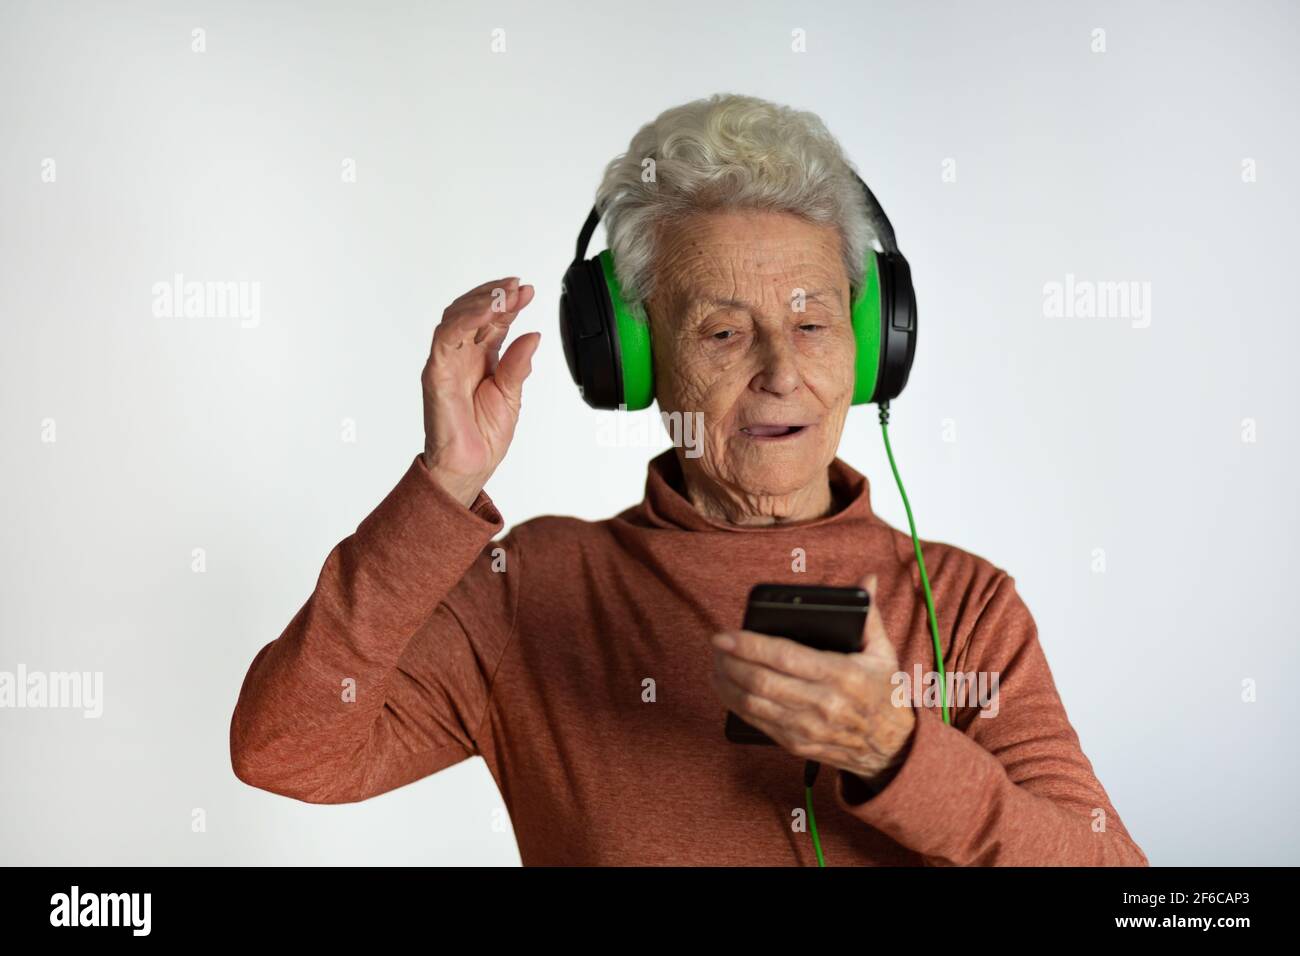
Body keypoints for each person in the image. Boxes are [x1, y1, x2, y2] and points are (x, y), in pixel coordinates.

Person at [230, 92, 1148, 866]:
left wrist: (899, 755)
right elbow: (286, 751)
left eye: (814, 324)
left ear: (871, 348)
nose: (782, 373)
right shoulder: (537, 588)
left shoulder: (964, 604)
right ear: (635, 361)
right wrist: (442, 489)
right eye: (722, 331)